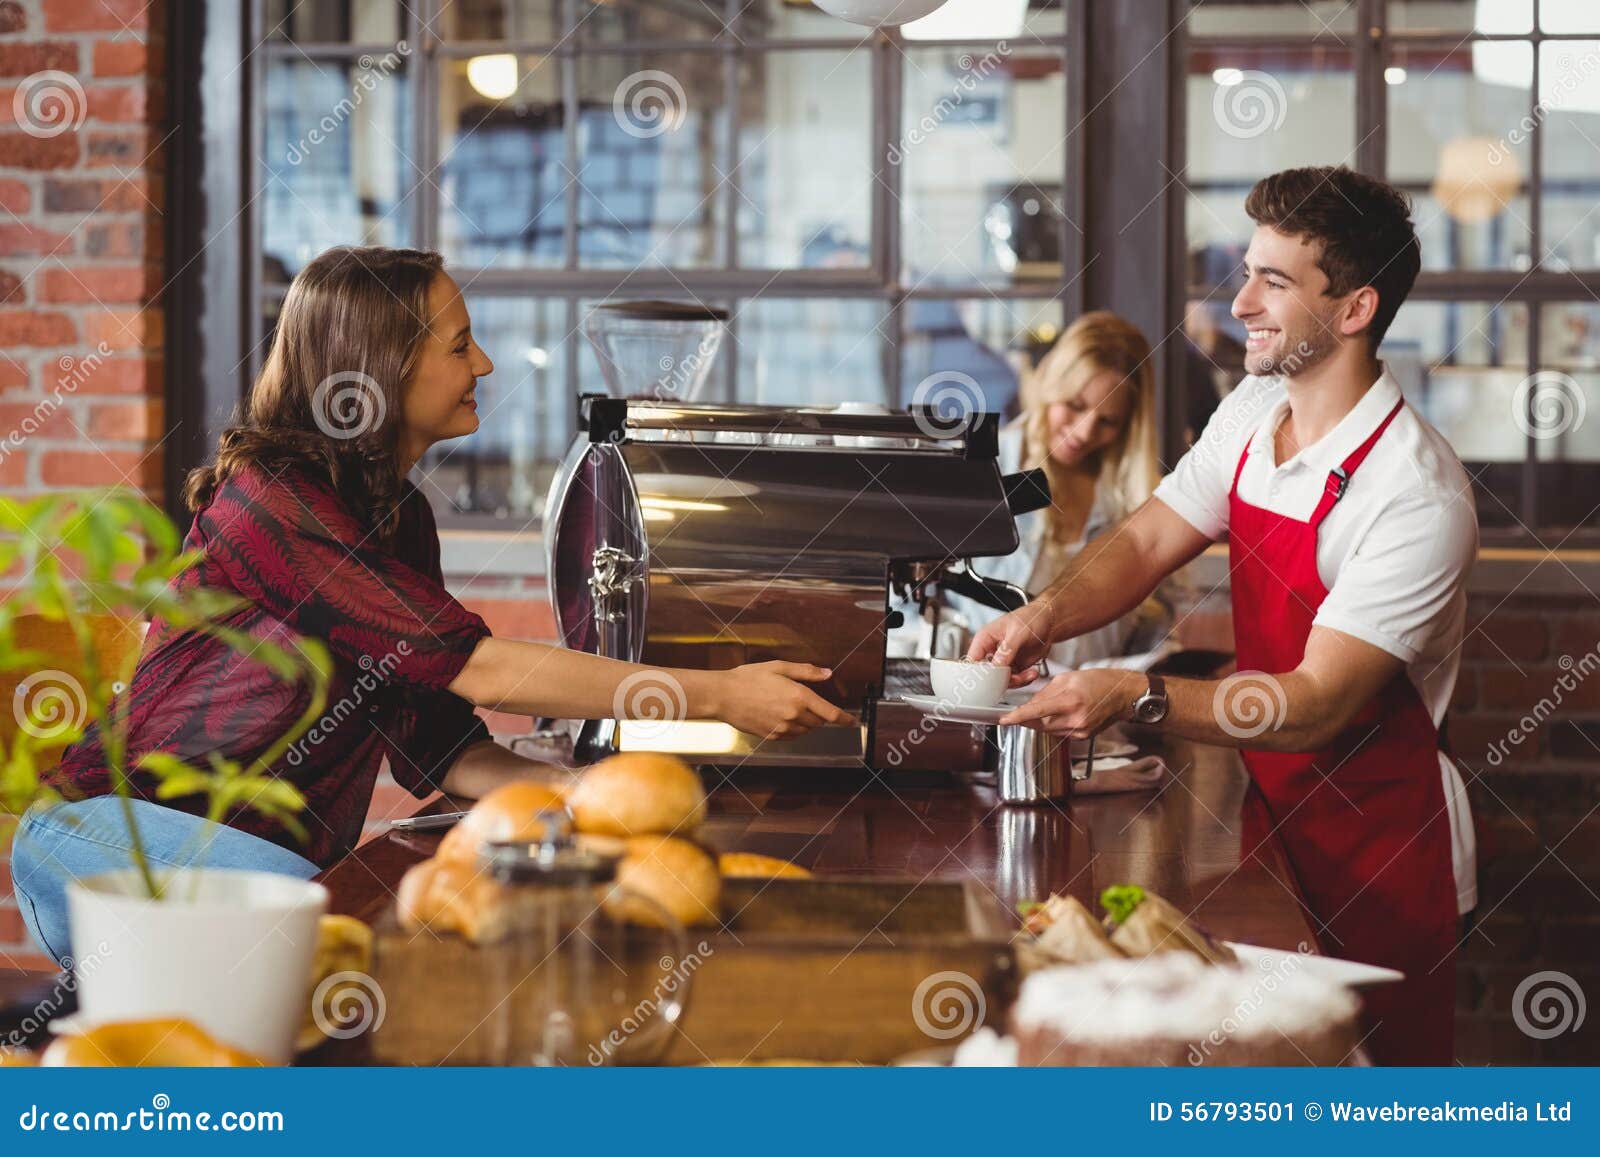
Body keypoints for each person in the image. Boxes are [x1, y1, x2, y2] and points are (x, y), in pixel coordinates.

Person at [12, 246, 852, 963]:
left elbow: (440, 743)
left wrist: (590, 800)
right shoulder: (270, 498)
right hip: (102, 840)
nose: (482, 364)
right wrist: (721, 693)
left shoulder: (399, 516)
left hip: (253, 857)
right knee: (365, 950)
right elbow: (474, 665)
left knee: (393, 953)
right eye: (460, 344)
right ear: (381, 364)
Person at [974, 167, 1478, 1065]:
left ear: (1355, 309)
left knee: (1363, 1092)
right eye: (1248, 271)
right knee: (1255, 1078)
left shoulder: (1416, 493)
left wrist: (1132, 693)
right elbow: (1146, 539)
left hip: (1382, 845)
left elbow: (1318, 701)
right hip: (1271, 809)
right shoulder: (1253, 409)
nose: (1239, 301)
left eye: (1273, 282)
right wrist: (1041, 615)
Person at [946, 311, 1177, 670]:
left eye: (1107, 421)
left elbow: (1155, 628)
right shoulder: (988, 471)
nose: (1085, 432)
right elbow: (927, 597)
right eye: (1075, 406)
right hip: (989, 695)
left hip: (1094, 711)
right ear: (1051, 387)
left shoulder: (1132, 499)